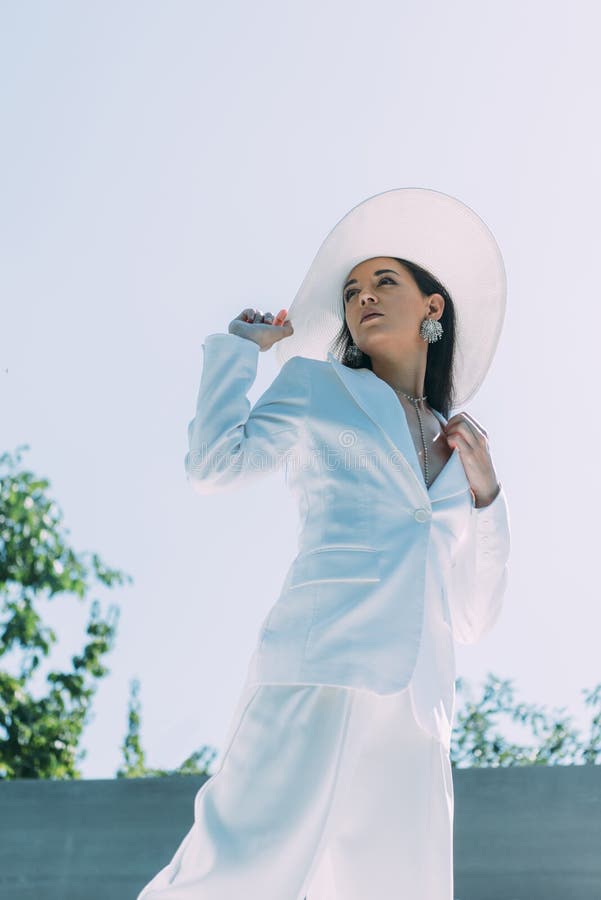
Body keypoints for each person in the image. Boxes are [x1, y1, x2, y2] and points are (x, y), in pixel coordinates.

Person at [136, 187, 511, 900]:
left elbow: (473, 616)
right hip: (316, 669)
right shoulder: (316, 386)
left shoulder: (460, 449)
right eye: (351, 290)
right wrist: (238, 353)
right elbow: (214, 467)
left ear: (434, 308)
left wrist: (487, 496)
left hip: (416, 711)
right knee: (236, 872)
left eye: (384, 281)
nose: (362, 297)